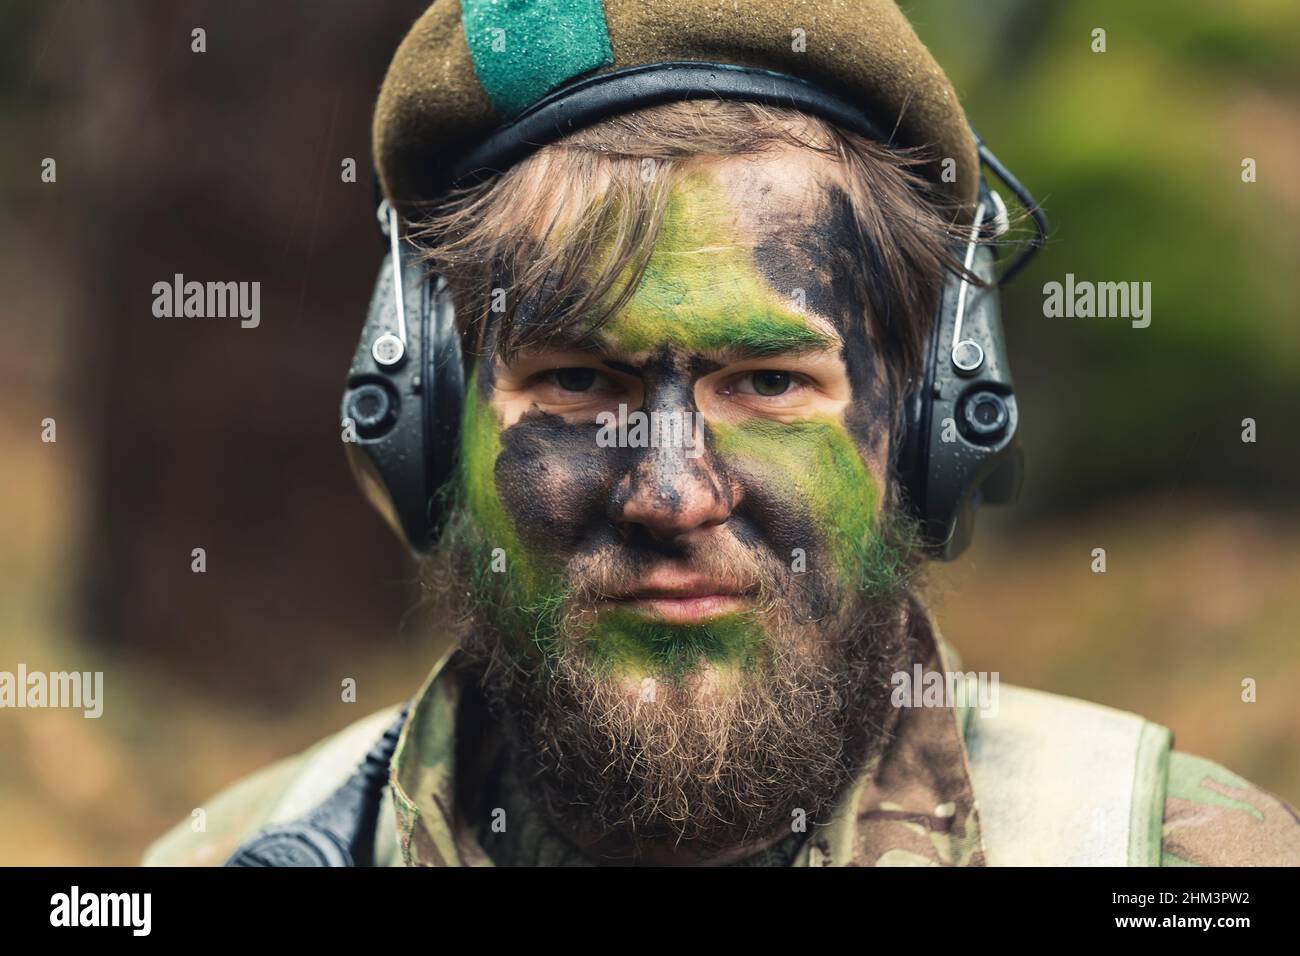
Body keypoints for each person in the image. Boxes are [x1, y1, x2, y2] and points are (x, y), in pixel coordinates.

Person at [144, 0, 1300, 867]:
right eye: (579, 380)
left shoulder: (1172, 859)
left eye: (766, 380)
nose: (670, 494)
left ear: (935, 425)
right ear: (423, 420)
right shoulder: (229, 856)